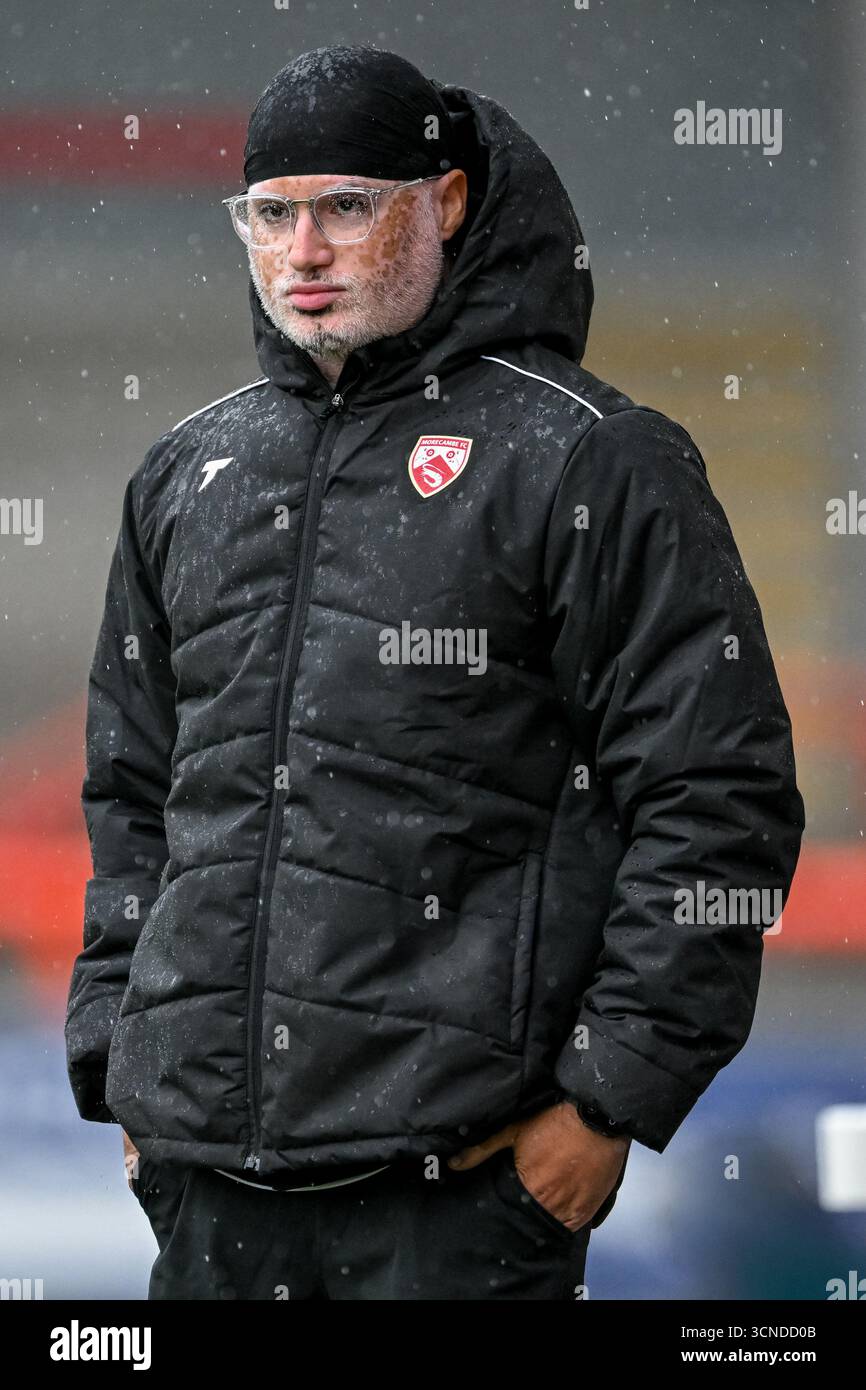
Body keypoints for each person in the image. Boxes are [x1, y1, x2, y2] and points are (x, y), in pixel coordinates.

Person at [64, 43, 805, 1300]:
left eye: (347, 207)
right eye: (272, 214)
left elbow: (714, 798)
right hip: (204, 1197)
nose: (302, 252)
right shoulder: (188, 473)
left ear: (446, 203)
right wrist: (119, 1068)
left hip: (458, 1202)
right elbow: (134, 797)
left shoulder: (589, 458)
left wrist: (605, 1103)